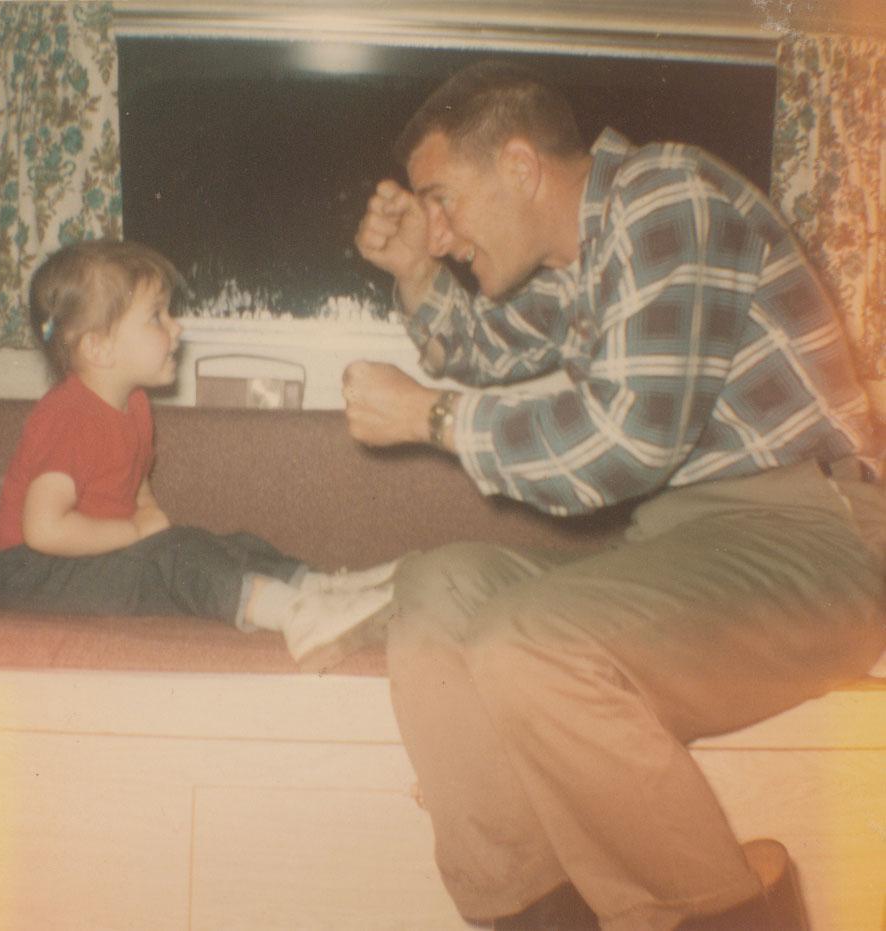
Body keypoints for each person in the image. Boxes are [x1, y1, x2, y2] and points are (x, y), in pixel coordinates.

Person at [347, 60, 885, 929]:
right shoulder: (583, 256)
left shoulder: (669, 194)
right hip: (691, 545)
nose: (439, 232)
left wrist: (435, 417)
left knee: (532, 641)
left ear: (521, 167)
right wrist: (414, 274)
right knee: (437, 589)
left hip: (815, 536)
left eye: (442, 201)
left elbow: (626, 439)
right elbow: (489, 346)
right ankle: (539, 912)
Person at [0, 239, 397, 670]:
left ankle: (322, 588)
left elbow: (132, 475)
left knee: (215, 544)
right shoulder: (68, 415)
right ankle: (298, 617)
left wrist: (148, 516)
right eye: (156, 317)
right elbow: (44, 528)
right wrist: (135, 533)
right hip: (33, 575)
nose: (176, 327)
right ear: (98, 348)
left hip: (86, 558)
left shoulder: (136, 405)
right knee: (175, 558)